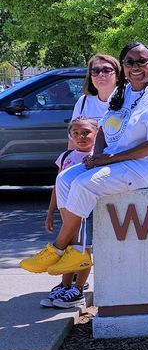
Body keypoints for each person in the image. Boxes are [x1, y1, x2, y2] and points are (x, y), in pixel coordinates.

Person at [20, 42, 148, 275]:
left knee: (85, 183)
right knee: (65, 179)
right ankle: (78, 250)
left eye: (142, 61)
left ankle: (58, 248)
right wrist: (96, 156)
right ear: (124, 67)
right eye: (130, 62)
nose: (136, 67)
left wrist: (111, 158)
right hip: (116, 161)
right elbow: (104, 129)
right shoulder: (123, 93)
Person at [40, 117, 98, 308]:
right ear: (70, 136)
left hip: (85, 211)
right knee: (69, 248)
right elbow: (57, 186)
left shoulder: (98, 157)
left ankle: (78, 289)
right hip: (67, 212)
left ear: (97, 133)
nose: (81, 137)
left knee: (82, 248)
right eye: (76, 133)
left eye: (86, 132)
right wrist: (50, 212)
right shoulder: (66, 157)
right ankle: (65, 285)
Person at [72, 54, 120, 121]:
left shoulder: (128, 100)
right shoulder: (83, 102)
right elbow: (74, 127)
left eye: (106, 70)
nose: (100, 74)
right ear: (91, 78)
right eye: (95, 71)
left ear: (117, 76)